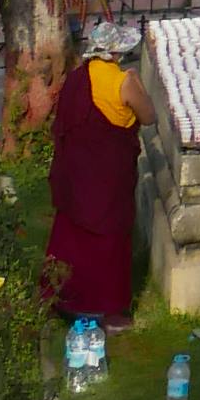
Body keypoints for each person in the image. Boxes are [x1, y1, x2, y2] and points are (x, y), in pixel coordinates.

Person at [42, 20, 144, 325]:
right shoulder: (123, 81)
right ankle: (108, 311)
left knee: (71, 235)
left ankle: (60, 298)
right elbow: (149, 115)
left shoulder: (76, 79)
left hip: (76, 176)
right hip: (108, 178)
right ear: (116, 53)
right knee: (109, 241)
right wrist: (137, 83)